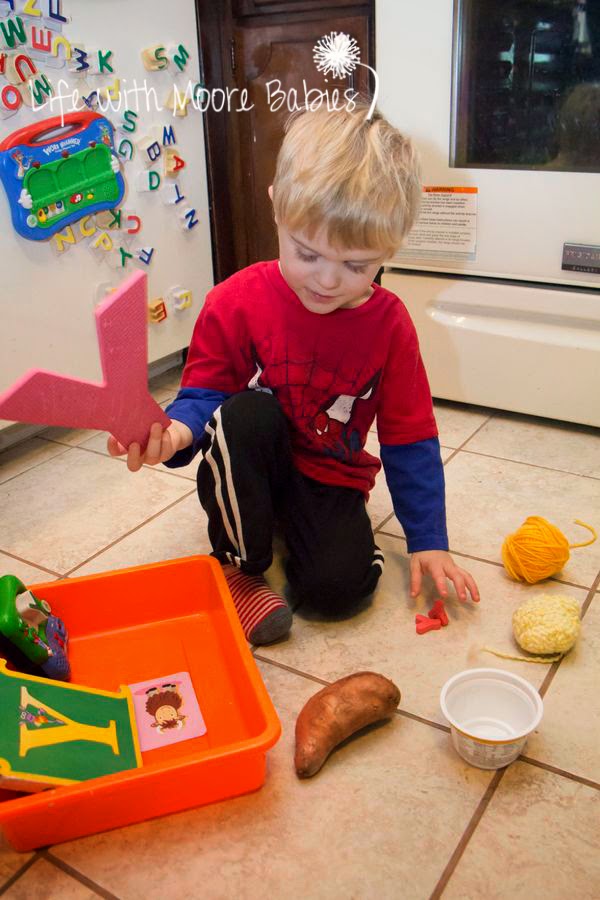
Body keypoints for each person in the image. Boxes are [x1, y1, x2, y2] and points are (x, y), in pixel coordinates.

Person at [108, 102, 480, 645]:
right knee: (246, 414)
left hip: (330, 476)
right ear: (277, 210)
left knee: (339, 594)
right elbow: (203, 395)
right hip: (250, 459)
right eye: (307, 254)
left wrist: (428, 538)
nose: (327, 281)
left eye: (356, 265)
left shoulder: (391, 325)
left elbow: (410, 437)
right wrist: (177, 433)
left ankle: (299, 534)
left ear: (391, 249)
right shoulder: (233, 302)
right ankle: (239, 566)